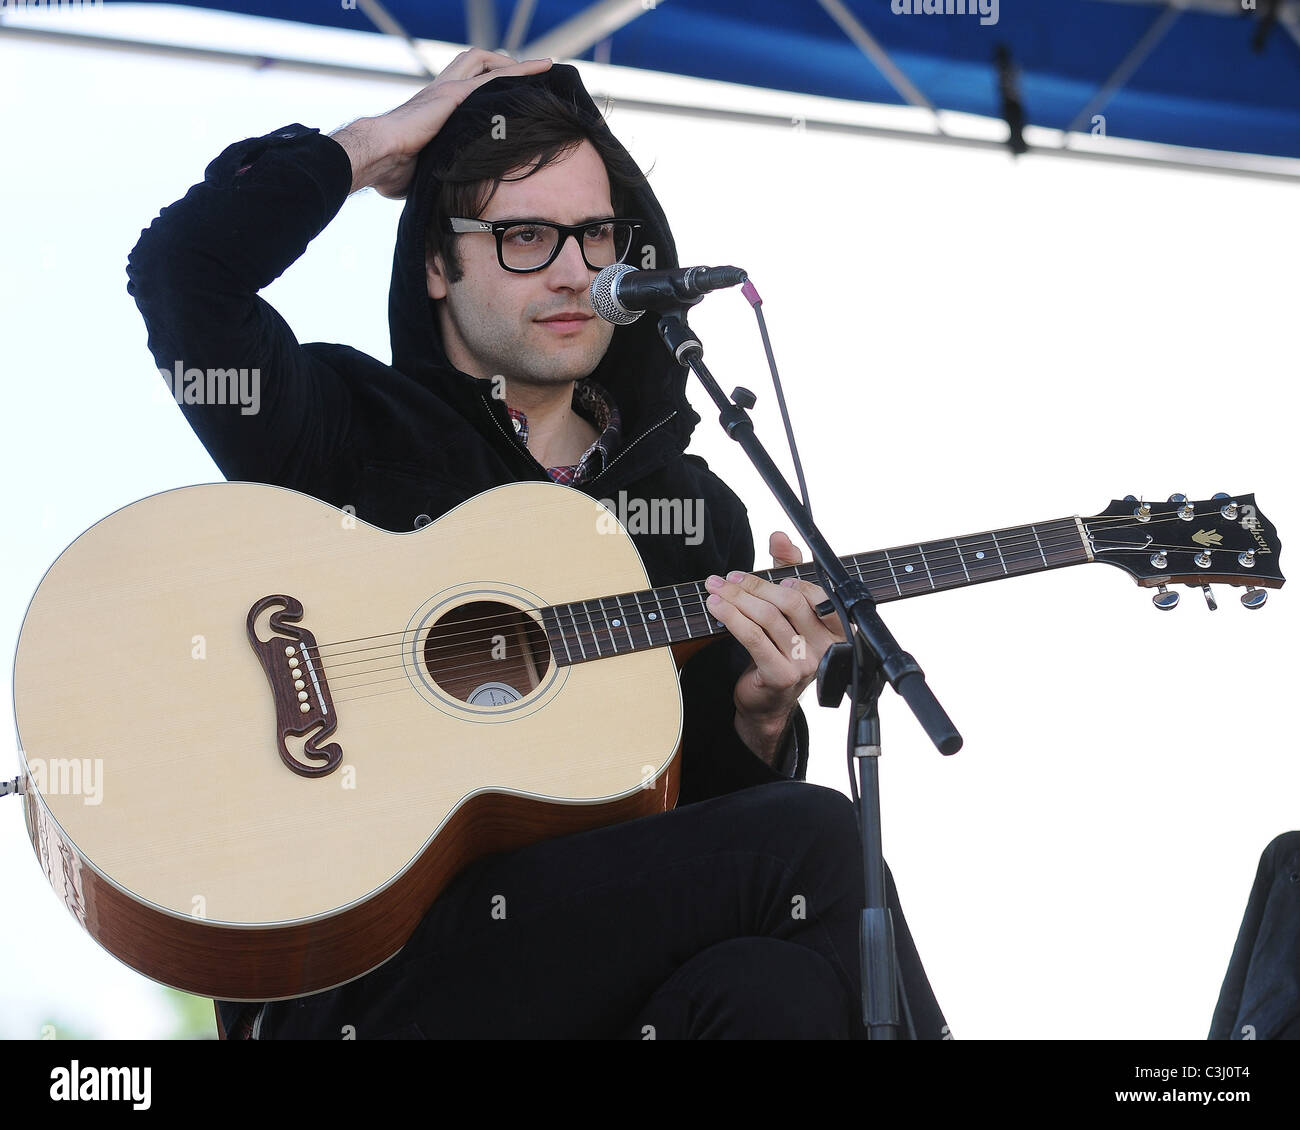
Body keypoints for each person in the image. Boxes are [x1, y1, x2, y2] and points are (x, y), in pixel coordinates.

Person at [126, 50, 948, 1039]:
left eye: (595, 234)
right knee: (816, 837)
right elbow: (182, 271)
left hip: (586, 987)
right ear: (436, 261)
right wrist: (386, 138)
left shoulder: (693, 511)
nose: (572, 270)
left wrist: (759, 711)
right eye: (523, 235)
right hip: (359, 966)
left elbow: (698, 830)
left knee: (778, 991)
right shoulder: (349, 425)